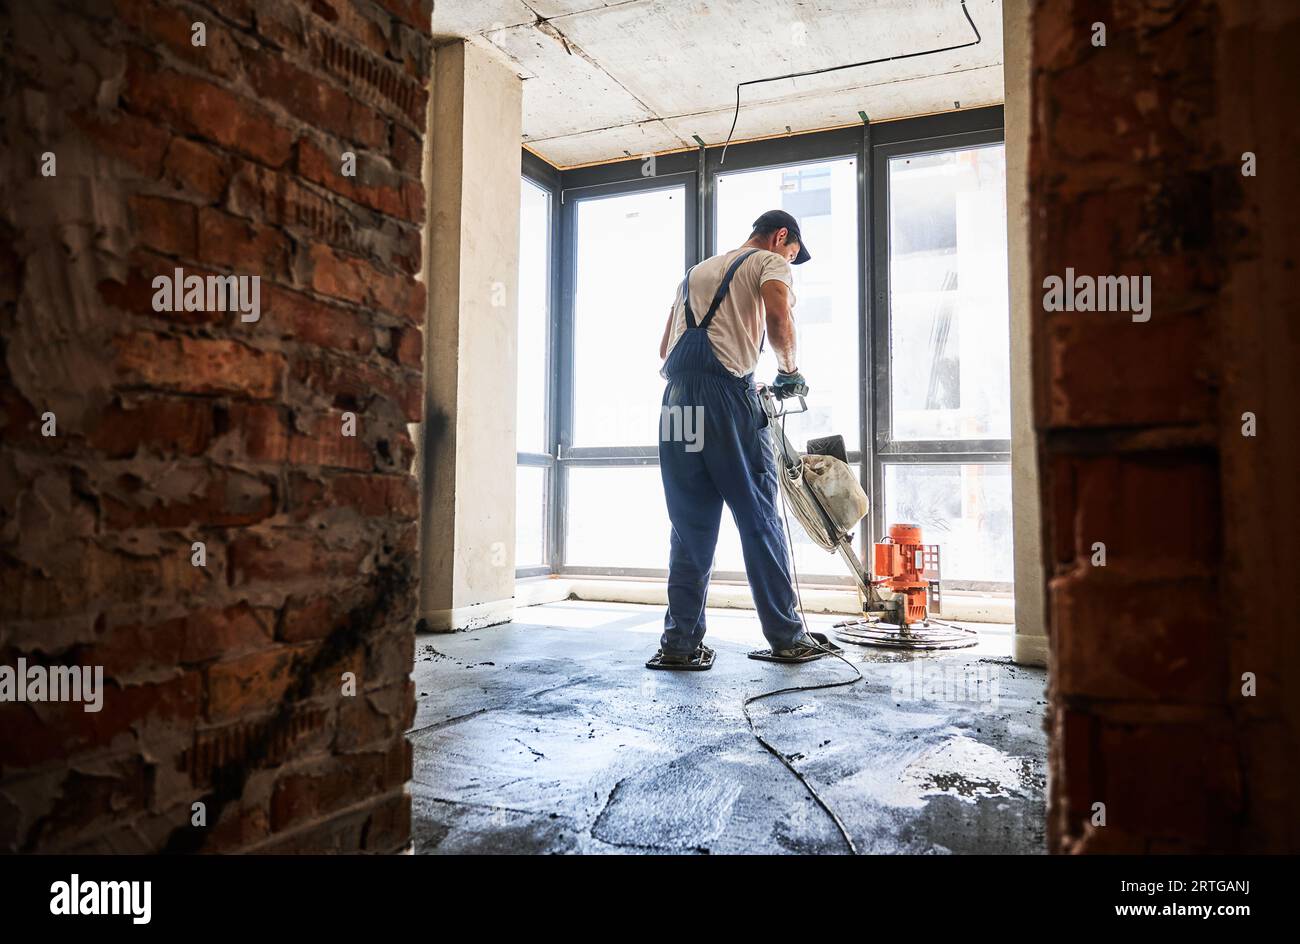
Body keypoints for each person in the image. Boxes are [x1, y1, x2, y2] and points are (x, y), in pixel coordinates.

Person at [647, 209, 829, 670]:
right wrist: (789, 372)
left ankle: (680, 645)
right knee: (759, 517)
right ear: (780, 237)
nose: (789, 259)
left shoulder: (693, 273)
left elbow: (665, 351)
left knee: (689, 526)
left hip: (676, 405)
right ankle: (787, 637)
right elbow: (778, 316)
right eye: (791, 251)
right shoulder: (768, 263)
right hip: (727, 400)